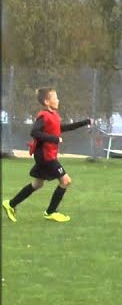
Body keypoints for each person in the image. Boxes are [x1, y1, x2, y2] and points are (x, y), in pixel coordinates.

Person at [3, 87, 92, 223]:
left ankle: (10, 204)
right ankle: (50, 212)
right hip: (45, 156)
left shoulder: (54, 115)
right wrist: (54, 139)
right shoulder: (43, 116)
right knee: (66, 181)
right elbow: (34, 132)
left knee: (37, 184)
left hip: (46, 155)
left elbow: (62, 128)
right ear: (47, 101)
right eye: (55, 98)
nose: (58, 100)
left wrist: (85, 122)